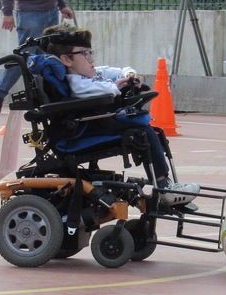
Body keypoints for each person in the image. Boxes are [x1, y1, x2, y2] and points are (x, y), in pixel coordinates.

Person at [39, 25, 199, 207]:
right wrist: (118, 86)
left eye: (91, 52)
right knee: (143, 132)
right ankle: (163, 186)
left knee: (152, 131)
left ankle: (165, 184)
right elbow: (107, 90)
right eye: (85, 54)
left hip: (100, 122)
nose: (91, 59)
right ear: (67, 59)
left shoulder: (88, 73)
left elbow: (114, 71)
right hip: (84, 130)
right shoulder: (77, 84)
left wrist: (128, 74)